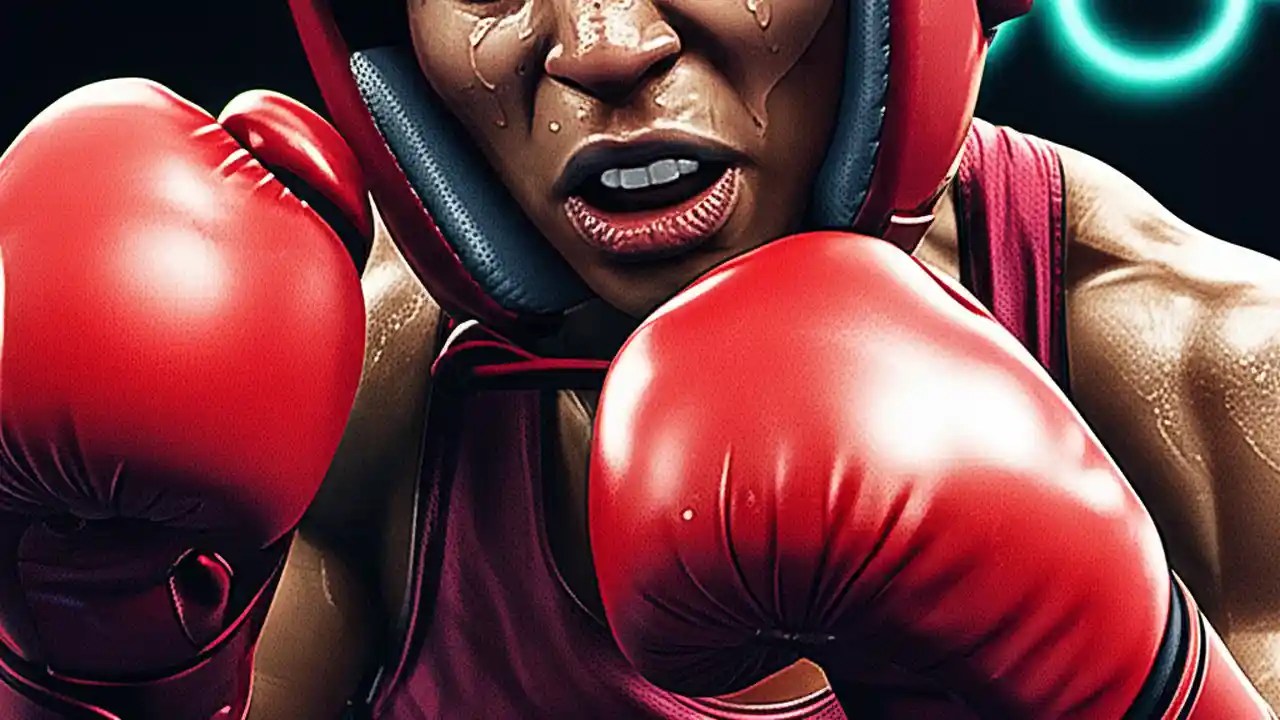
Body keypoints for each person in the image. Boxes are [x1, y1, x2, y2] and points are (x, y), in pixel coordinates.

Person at [0, 0, 1276, 718]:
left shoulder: (1199, 367)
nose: (606, 44)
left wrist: (1137, 689)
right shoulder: (356, 394)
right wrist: (89, 644)